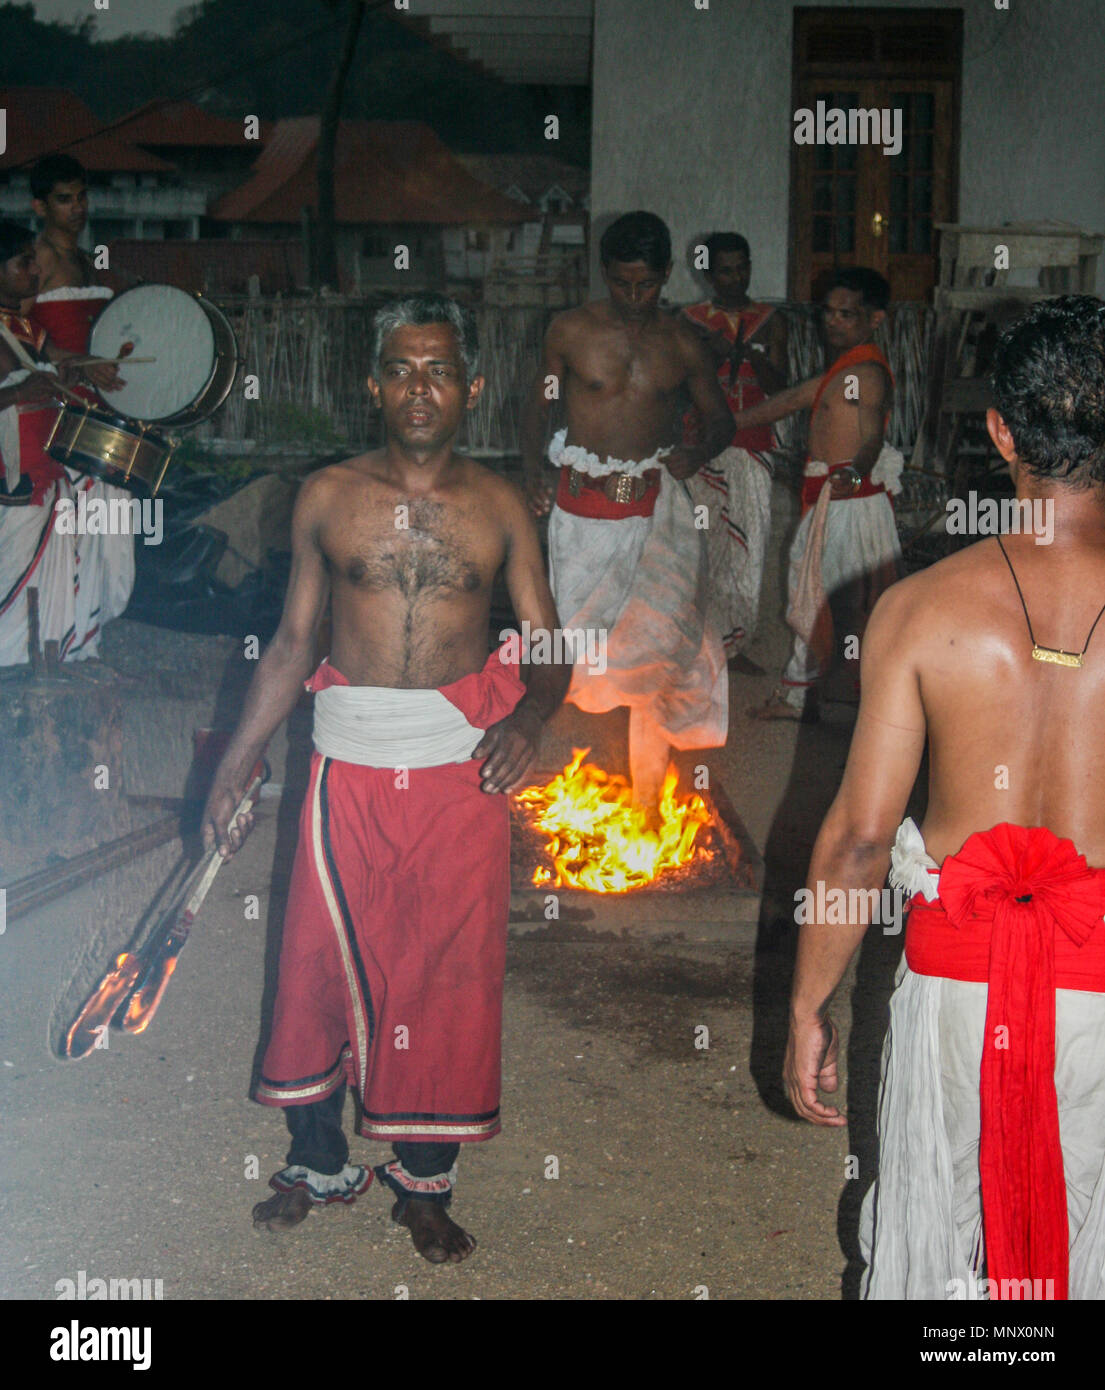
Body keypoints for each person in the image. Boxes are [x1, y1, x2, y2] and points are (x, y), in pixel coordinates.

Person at [202, 294, 569, 1264]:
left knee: (444, 975)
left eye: (439, 369)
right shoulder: (325, 495)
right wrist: (232, 769)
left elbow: (552, 641)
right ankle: (315, 1159)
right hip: (346, 761)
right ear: (373, 385)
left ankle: (423, 1182)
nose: (420, 388)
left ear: (472, 388)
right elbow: (288, 645)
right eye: (402, 369)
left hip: (455, 764)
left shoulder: (498, 505)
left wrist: (531, 716)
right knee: (315, 963)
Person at [785, 295, 1105, 1300]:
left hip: (960, 986)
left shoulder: (919, 607)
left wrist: (808, 1003)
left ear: (1000, 432)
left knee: (947, 1229)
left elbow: (858, 841)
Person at [520, 210, 733, 809]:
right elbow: (538, 406)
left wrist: (699, 449)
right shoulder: (569, 331)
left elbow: (721, 419)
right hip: (582, 512)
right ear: (604, 274)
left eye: (647, 284)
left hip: (656, 506)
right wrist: (532, 471)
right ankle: (543, 789)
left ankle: (645, 804)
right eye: (621, 283)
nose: (634, 297)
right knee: (569, 650)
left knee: (661, 646)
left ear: (666, 274)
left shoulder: (683, 342)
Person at [731, 267, 903, 722]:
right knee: (812, 595)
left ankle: (853, 703)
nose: (833, 322)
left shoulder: (866, 374)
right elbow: (785, 402)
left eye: (847, 315)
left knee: (847, 603)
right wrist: (727, 425)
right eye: (829, 313)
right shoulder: (840, 373)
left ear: (876, 319)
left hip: (852, 503)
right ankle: (802, 695)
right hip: (832, 501)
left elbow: (869, 437)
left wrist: (856, 471)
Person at [0, 222, 126, 666]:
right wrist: (19, 393)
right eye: (23, 262)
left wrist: (88, 369)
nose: (35, 271)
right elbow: (23, 388)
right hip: (14, 488)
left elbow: (58, 360)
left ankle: (42, 677)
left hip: (47, 479)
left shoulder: (20, 326)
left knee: (46, 596)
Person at [28, 155, 135, 655]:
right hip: (56, 415)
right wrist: (81, 362)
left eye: (82, 196)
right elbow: (23, 337)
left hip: (99, 415)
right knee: (62, 538)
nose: (77, 208)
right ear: (39, 205)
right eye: (64, 199)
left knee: (99, 537)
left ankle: (85, 646)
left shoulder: (92, 260)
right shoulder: (36, 260)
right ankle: (58, 647)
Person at [682, 232, 788, 670]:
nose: (735, 277)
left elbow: (782, 385)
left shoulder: (769, 320)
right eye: (724, 270)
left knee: (748, 544)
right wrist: (714, 354)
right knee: (703, 544)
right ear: (707, 273)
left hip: (752, 444)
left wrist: (754, 357)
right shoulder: (689, 321)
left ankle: (734, 644)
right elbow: (678, 384)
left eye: (741, 267)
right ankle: (699, 640)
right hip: (702, 444)